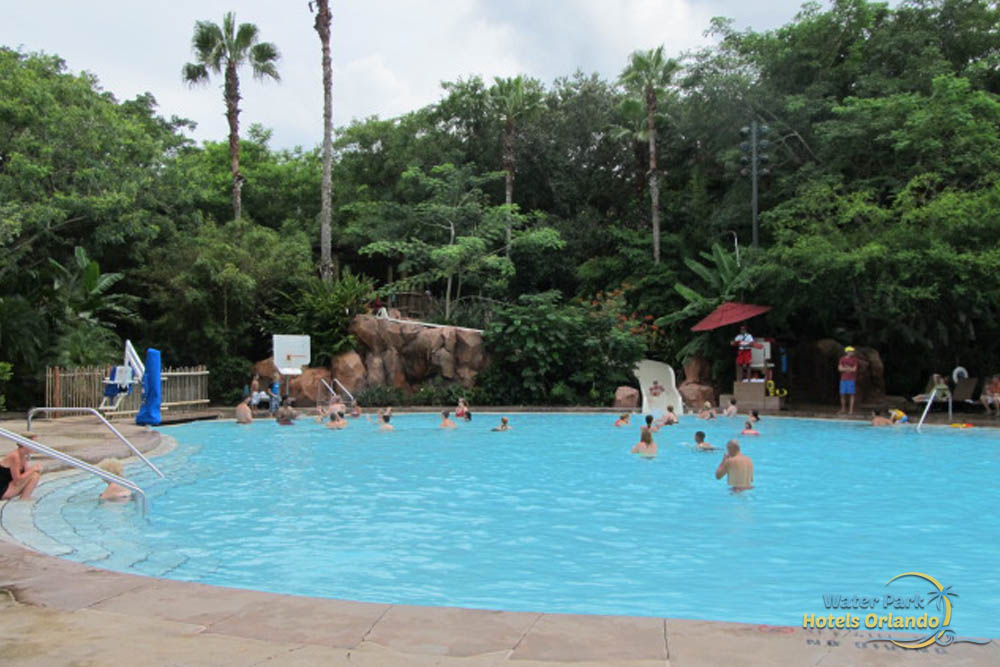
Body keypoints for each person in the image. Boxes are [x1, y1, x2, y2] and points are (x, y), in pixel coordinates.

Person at [0, 435, 42, 501]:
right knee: (34, 474)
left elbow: (27, 474)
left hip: (9, 487)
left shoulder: (22, 456)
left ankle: (24, 499)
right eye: (34, 443)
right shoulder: (15, 457)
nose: (35, 446)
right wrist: (33, 469)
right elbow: (17, 481)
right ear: (25, 444)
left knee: (35, 475)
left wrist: (34, 470)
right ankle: (24, 499)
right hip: (3, 490)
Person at [838, 346, 859, 415]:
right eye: (850, 351)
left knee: (851, 394)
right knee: (842, 394)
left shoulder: (855, 359)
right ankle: (843, 409)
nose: (852, 352)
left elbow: (854, 369)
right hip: (843, 379)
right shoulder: (842, 359)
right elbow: (840, 369)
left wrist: (846, 368)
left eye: (852, 351)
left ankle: (851, 410)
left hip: (851, 379)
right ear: (847, 352)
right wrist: (849, 369)